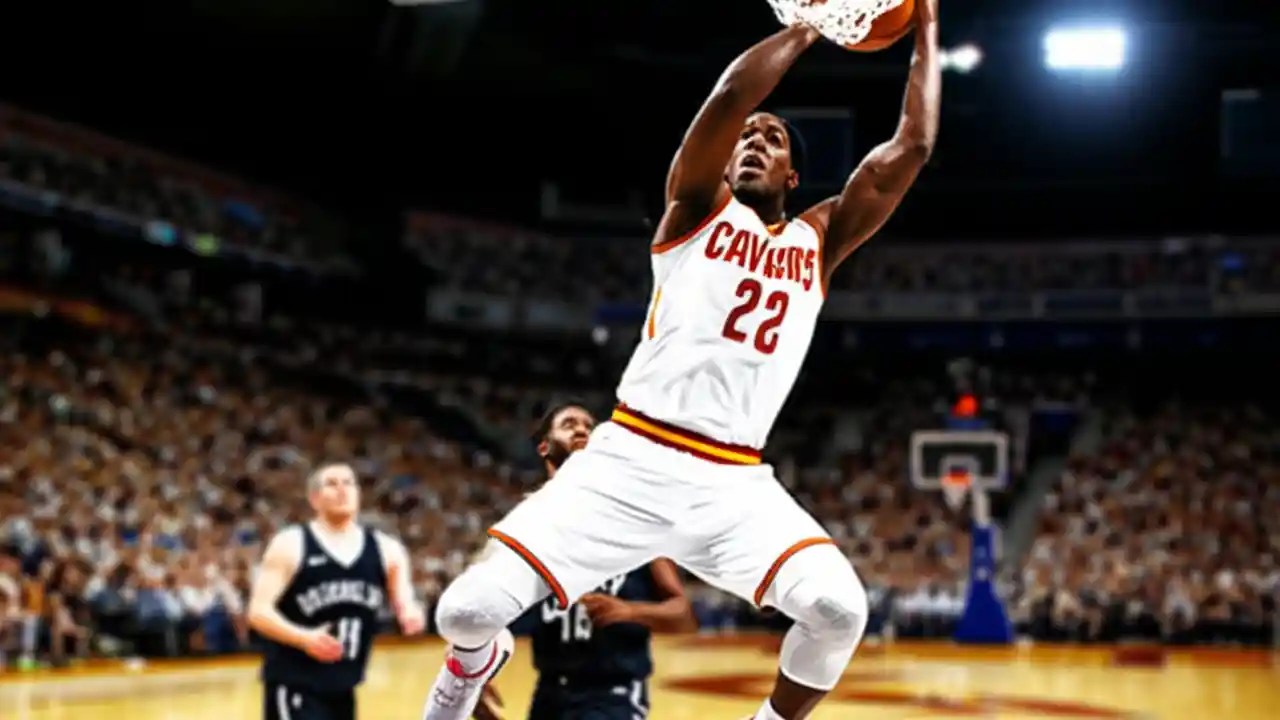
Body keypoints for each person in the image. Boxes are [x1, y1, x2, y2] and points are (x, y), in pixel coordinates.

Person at [421, 1, 941, 717]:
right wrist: (816, 25)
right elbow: (732, 96)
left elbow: (909, 148)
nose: (755, 140)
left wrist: (929, 27)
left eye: (774, 139)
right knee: (465, 614)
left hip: (732, 484)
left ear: (794, 177)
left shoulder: (818, 242)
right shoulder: (695, 208)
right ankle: (468, 670)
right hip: (629, 458)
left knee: (839, 610)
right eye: (748, 139)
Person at [474, 402, 696, 720]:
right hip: (550, 694)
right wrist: (471, 672)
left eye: (588, 426)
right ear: (544, 447)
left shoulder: (637, 522)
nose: (581, 429)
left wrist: (630, 610)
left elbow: (683, 616)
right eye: (569, 424)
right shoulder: (529, 526)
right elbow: (485, 605)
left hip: (612, 694)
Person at [250, 462, 425, 720]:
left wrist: (410, 613)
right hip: (295, 684)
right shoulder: (291, 544)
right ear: (314, 498)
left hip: (344, 686)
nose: (342, 490)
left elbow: (405, 599)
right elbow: (258, 612)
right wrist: (304, 638)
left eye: (349, 483)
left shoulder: (387, 549)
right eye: (332, 484)